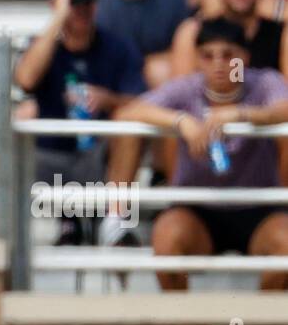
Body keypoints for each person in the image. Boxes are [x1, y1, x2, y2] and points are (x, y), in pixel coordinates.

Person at [0, 0, 145, 245]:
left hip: (98, 157)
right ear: (54, 3)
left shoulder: (117, 47)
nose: (81, 6)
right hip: (48, 155)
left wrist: (107, 98)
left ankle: (114, 221)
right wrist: (60, 15)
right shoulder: (42, 46)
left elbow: (140, 103)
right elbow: (26, 80)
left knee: (130, 122)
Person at [113, 18, 288, 290]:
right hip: (197, 210)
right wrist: (181, 121)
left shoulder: (265, 81)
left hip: (259, 209)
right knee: (166, 238)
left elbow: (285, 108)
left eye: (228, 55)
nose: (219, 64)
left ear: (245, 56)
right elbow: (127, 113)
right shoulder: (186, 88)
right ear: (197, 59)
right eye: (208, 56)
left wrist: (243, 114)